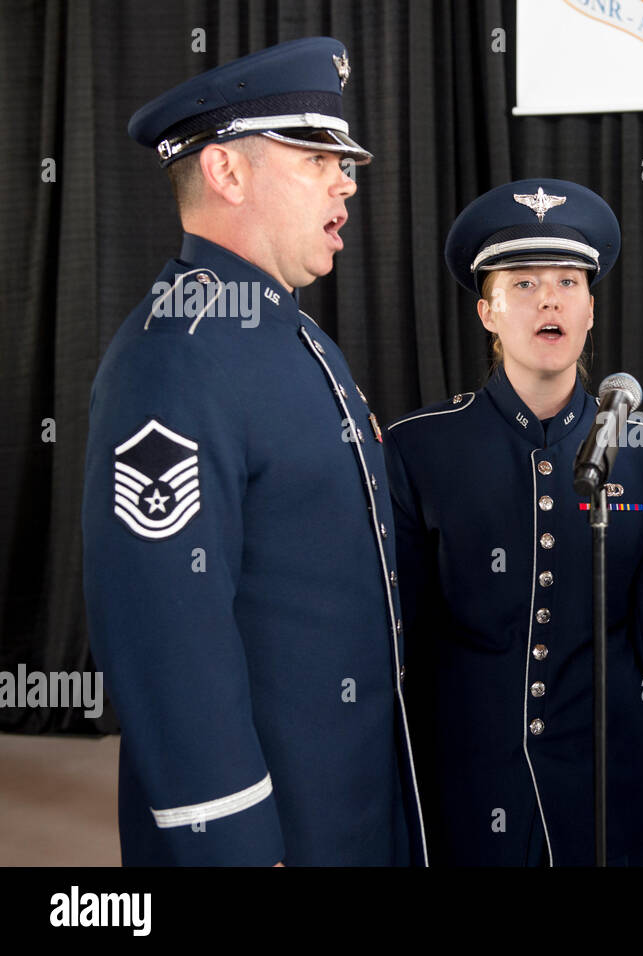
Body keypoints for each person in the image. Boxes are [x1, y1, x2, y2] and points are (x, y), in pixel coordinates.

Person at [82, 38, 424, 866]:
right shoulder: (174, 356)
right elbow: (167, 637)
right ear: (227, 173)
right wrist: (230, 841)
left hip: (351, 804)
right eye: (316, 157)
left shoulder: (294, 335)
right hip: (273, 831)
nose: (347, 180)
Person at [384, 179, 643, 866]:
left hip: (611, 779)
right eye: (522, 284)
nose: (549, 298)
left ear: (590, 311)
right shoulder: (419, 448)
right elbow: (401, 636)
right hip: (466, 777)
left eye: (567, 282)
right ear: (487, 313)